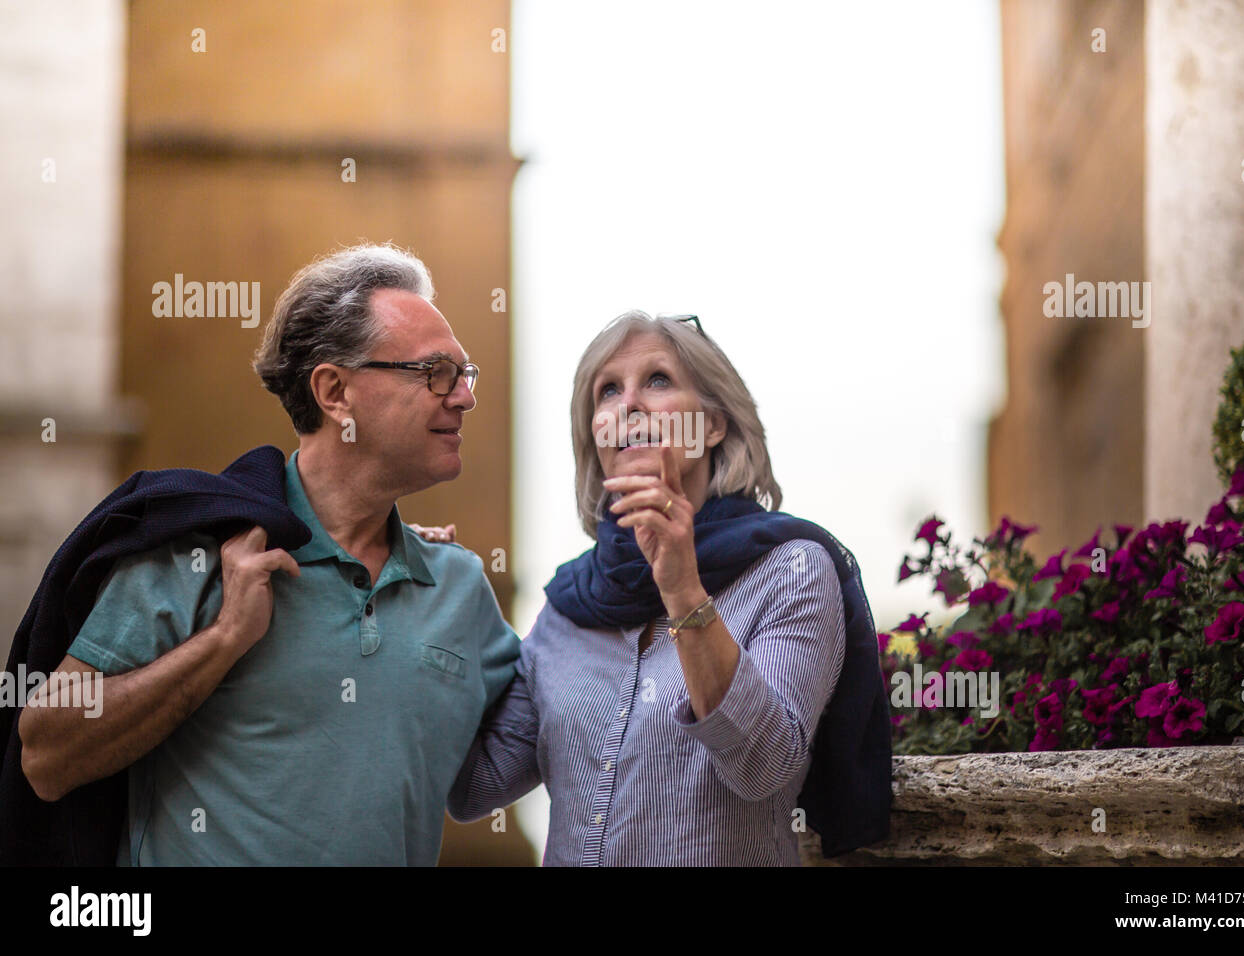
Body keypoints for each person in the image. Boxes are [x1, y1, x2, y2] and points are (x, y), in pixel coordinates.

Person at [17, 243, 519, 865]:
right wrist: (224, 639)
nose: (464, 397)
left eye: (465, 376)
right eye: (436, 373)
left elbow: (564, 722)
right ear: (335, 392)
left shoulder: (460, 587)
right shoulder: (197, 551)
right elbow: (45, 756)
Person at [432, 311, 891, 865]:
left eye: (657, 380)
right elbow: (473, 786)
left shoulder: (791, 570)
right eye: (607, 390)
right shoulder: (569, 605)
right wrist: (431, 602)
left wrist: (683, 589)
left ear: (714, 425)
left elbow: (763, 768)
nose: (628, 404)